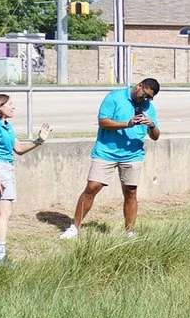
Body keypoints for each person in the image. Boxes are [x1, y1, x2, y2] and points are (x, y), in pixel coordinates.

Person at [62, 77, 161, 240]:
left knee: (131, 192)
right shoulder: (115, 97)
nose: (146, 99)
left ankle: (129, 231)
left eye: (149, 98)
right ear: (139, 86)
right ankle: (74, 227)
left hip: (133, 154)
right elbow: (103, 122)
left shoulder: (149, 107)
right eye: (145, 95)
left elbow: (156, 136)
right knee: (92, 187)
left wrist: (151, 125)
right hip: (106, 152)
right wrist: (127, 124)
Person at [0, 93, 49, 264]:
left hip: (7, 168)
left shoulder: (7, 125)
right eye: (9, 104)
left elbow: (18, 148)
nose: (13, 106)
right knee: (5, 212)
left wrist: (39, 140)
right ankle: (0, 256)